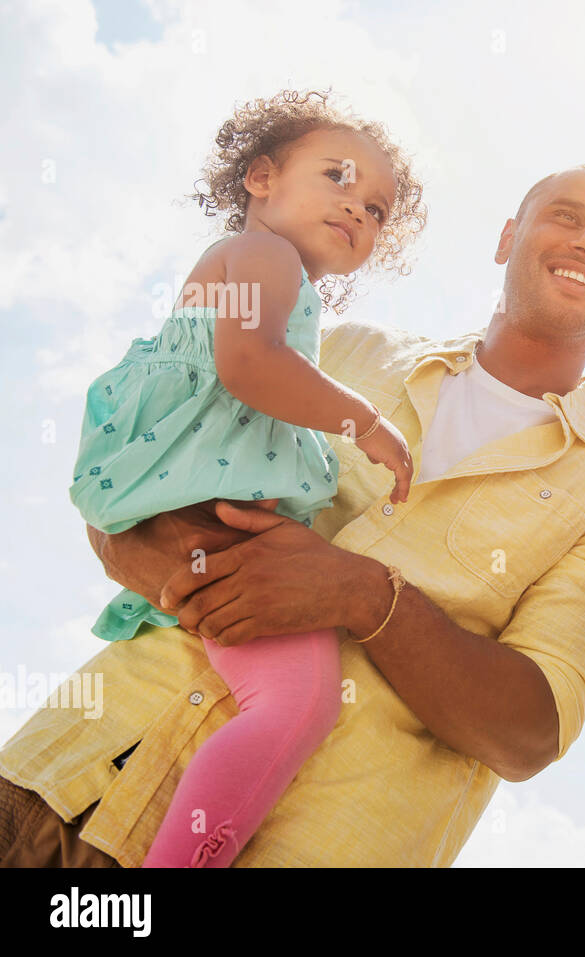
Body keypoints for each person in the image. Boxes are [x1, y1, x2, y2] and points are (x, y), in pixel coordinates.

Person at [0, 161, 585, 868]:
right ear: (508, 237)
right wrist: (187, 563)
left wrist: (361, 593)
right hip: (68, 777)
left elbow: (529, 731)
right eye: (565, 216)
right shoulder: (342, 351)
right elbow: (135, 480)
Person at [66, 89, 422, 868]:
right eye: (337, 176)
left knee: (291, 697)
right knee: (299, 704)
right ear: (261, 178)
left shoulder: (280, 276)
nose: (358, 208)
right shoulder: (265, 256)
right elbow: (248, 361)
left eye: (377, 208)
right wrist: (362, 421)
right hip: (207, 511)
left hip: (190, 512)